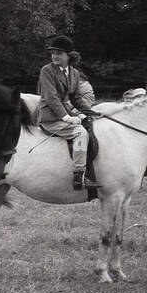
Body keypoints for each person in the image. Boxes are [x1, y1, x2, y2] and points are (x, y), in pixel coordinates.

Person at [37, 36, 95, 192]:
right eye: (53, 53)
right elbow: (51, 97)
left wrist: (90, 113)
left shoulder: (74, 73)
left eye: (59, 53)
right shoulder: (47, 70)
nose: (54, 56)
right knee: (80, 133)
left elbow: (76, 98)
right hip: (50, 117)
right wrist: (66, 117)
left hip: (66, 113)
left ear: (69, 55)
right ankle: (79, 176)